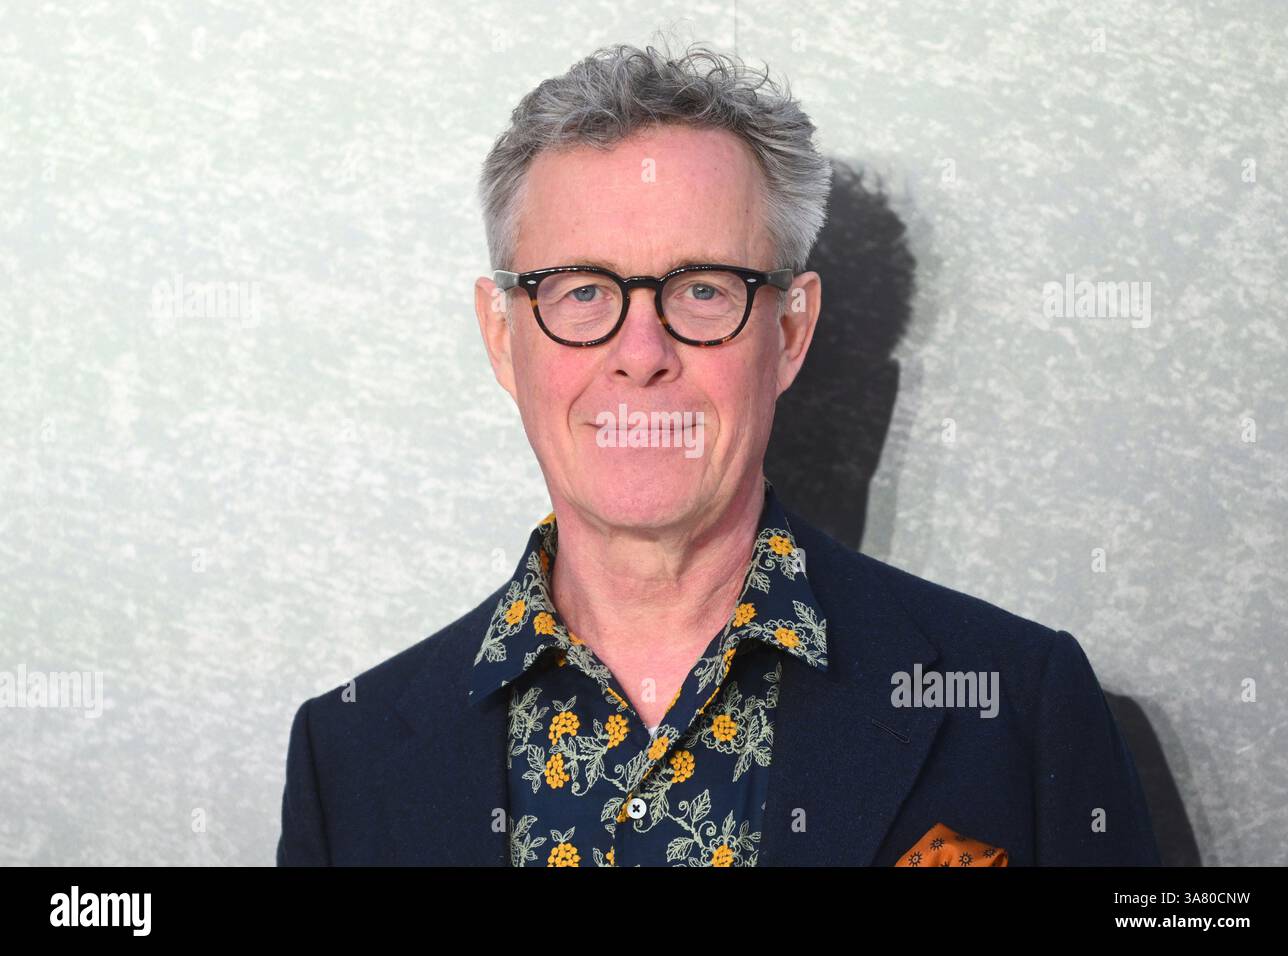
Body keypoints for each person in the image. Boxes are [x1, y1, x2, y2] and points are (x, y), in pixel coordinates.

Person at [276, 39, 1161, 867]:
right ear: (503, 338)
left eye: (702, 289)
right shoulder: (347, 760)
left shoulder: (1021, 707)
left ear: (790, 329)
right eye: (582, 292)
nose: (642, 351)